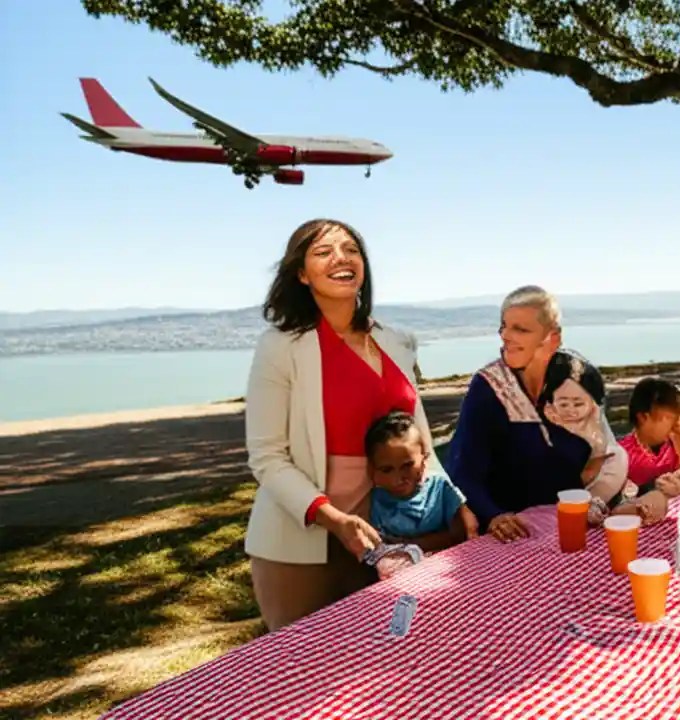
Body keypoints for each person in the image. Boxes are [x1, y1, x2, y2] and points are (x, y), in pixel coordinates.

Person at [242, 218, 458, 631]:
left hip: (389, 536)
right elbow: (267, 457)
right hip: (300, 541)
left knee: (385, 660)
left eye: (351, 249)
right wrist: (334, 520)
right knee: (302, 670)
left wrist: (455, 502)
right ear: (301, 274)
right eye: (323, 252)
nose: (341, 258)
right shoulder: (280, 346)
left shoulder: (395, 340)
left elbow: (420, 440)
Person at [446, 286, 622, 542]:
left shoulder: (576, 380)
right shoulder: (487, 388)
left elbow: (605, 453)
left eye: (520, 329)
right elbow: (463, 470)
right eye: (504, 326)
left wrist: (595, 501)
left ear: (552, 338)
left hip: (576, 523)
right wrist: (494, 515)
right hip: (512, 532)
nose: (505, 336)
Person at [366, 410, 475, 553]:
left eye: (407, 466)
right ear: (372, 470)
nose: (398, 479)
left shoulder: (440, 489)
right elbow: (382, 547)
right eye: (387, 470)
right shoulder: (378, 500)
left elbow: (463, 533)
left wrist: (412, 544)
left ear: (424, 458)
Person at [538, 350, 628, 524]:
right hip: (538, 507)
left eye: (578, 404)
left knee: (617, 458)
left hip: (581, 498)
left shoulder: (601, 439)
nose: (571, 410)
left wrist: (596, 448)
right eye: (564, 404)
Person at [611, 378, 680, 524]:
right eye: (670, 418)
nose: (676, 424)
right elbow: (617, 503)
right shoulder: (622, 453)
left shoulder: (673, 443)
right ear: (644, 417)